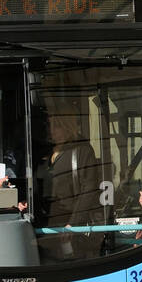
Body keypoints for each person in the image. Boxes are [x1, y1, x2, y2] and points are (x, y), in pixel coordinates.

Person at [39, 106, 103, 258]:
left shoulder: (81, 150)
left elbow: (89, 189)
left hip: (69, 226)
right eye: (50, 125)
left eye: (58, 125)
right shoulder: (45, 151)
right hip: (45, 226)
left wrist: (74, 224)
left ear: (68, 127)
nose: (52, 130)